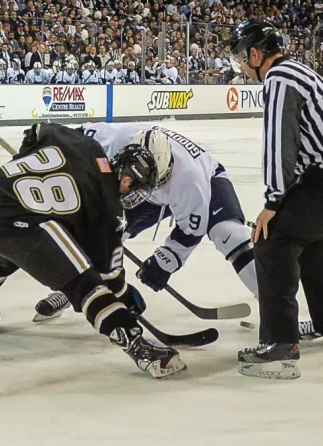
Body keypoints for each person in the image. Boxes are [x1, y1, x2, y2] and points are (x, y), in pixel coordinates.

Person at [0, 120, 184, 380]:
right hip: (16, 222)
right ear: (127, 180)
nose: (137, 197)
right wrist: (125, 297)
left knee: (5, 257)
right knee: (85, 284)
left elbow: (38, 130)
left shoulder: (87, 146)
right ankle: (139, 348)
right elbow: (109, 280)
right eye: (139, 189)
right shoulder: (109, 212)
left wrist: (23, 159)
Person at [232, 17, 323, 381]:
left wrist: (273, 203)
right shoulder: (297, 69)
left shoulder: (279, 80)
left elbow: (280, 144)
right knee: (316, 243)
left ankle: (280, 347)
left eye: (240, 57)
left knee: (273, 244)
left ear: (255, 54)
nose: (239, 65)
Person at [31, 123, 262, 325]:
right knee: (102, 235)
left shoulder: (189, 181)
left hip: (207, 180)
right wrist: (45, 137)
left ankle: (275, 307)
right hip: (139, 185)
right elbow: (75, 136)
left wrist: (164, 263)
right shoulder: (116, 139)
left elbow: (191, 230)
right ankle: (73, 288)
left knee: (229, 234)